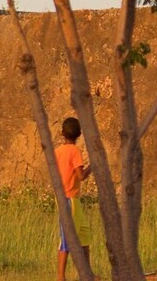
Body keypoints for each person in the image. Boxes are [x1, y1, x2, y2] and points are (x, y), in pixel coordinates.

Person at [54, 117, 91, 281]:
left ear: (62, 133)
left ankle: (87, 274)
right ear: (79, 134)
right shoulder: (75, 151)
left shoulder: (58, 151)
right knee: (67, 239)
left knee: (84, 234)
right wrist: (92, 166)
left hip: (71, 198)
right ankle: (60, 277)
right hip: (69, 198)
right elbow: (81, 176)